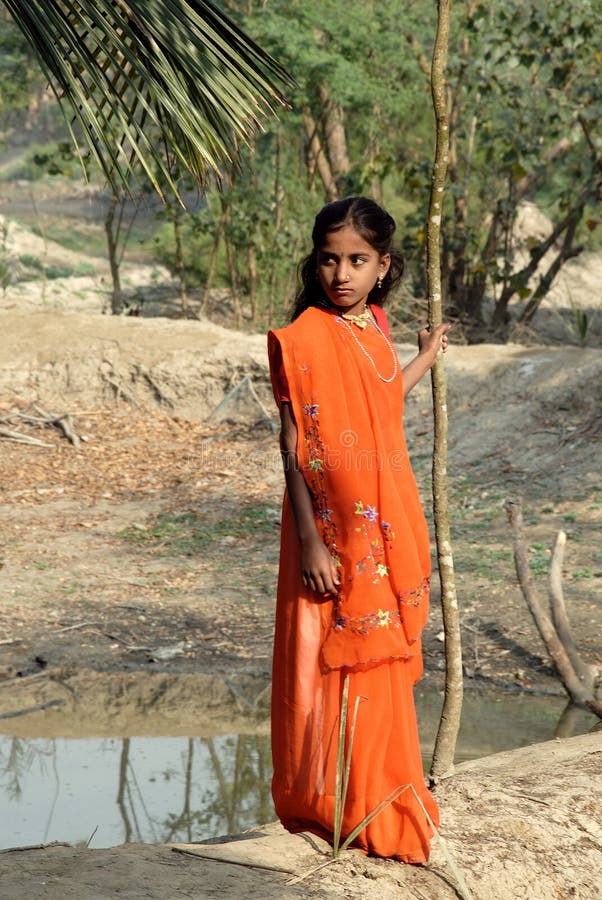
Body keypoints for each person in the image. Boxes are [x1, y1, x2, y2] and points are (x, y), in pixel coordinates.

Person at [267, 196, 449, 863]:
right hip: (329, 531)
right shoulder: (303, 337)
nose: (341, 274)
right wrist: (312, 540)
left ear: (383, 267)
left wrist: (425, 356)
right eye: (329, 259)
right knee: (333, 662)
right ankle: (343, 803)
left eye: (357, 260)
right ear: (315, 262)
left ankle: (381, 794)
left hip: (385, 523)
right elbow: (292, 445)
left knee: (380, 663)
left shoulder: (375, 325)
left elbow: (382, 401)